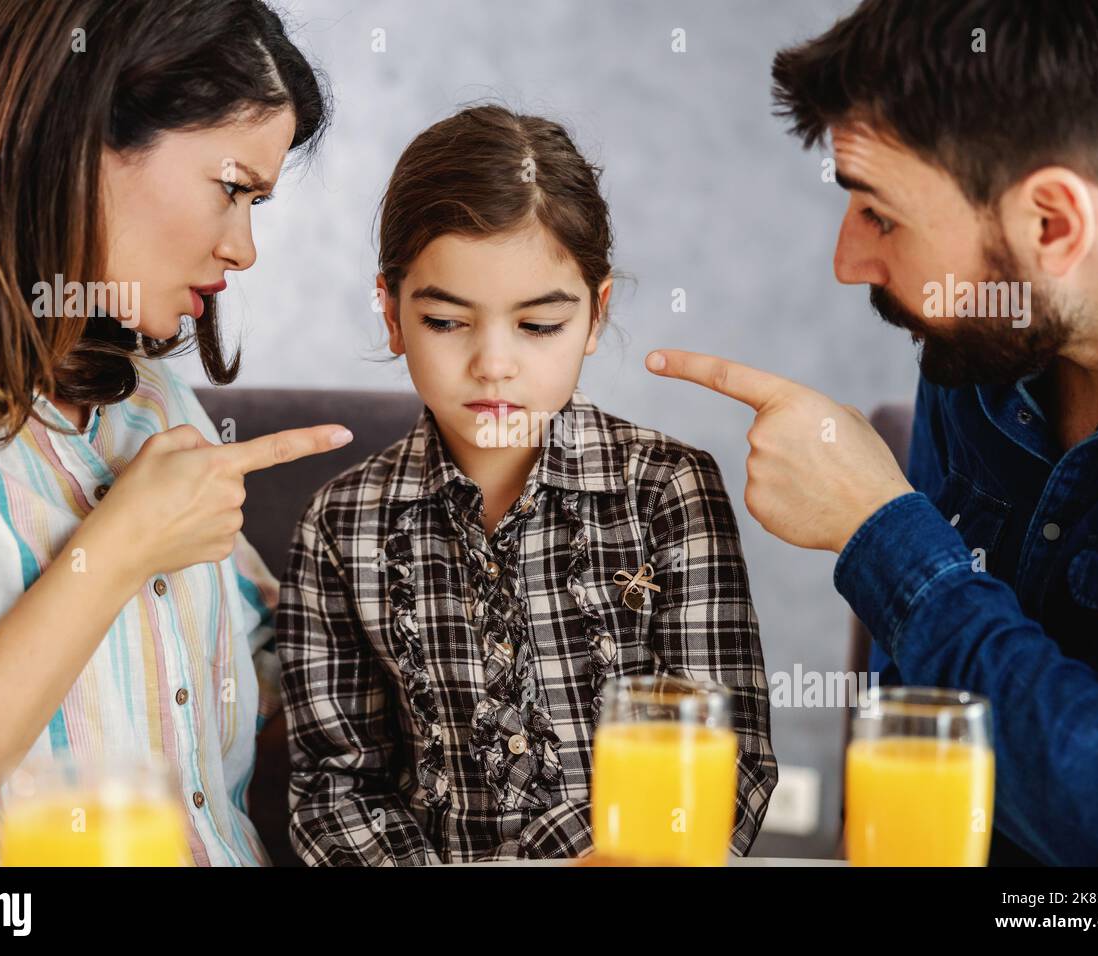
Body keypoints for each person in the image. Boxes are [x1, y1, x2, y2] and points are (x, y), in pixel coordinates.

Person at [647, 0, 1098, 865]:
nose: (847, 262)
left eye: (880, 216)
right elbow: (917, 742)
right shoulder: (983, 356)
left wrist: (880, 525)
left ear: (1051, 224)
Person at [0, 0, 350, 865]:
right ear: (80, 133)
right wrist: (118, 550)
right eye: (232, 188)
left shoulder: (149, 398)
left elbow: (270, 687)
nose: (244, 249)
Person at [276, 105, 777, 864]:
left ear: (596, 315)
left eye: (538, 326)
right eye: (447, 322)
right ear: (391, 311)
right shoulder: (341, 526)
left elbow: (728, 756)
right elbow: (337, 788)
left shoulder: (668, 489)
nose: (494, 364)